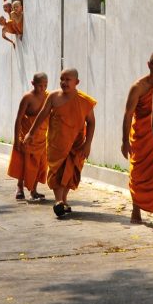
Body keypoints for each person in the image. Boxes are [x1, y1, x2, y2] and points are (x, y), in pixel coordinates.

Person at [22, 68, 96, 218]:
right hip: (57, 141)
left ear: (77, 82)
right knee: (57, 171)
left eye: (68, 80)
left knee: (70, 170)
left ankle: (63, 200)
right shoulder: (54, 97)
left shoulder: (84, 100)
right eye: (62, 79)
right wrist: (31, 132)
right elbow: (43, 113)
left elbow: (91, 122)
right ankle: (58, 201)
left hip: (76, 142)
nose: (64, 82)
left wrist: (88, 144)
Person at [121, 50, 153, 228]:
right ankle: (136, 207)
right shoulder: (138, 87)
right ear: (149, 66)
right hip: (142, 136)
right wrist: (124, 140)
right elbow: (128, 115)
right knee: (138, 172)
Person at [7, 72, 49, 201]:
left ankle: (34, 191)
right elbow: (18, 119)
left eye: (45, 85)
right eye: (40, 85)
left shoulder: (49, 97)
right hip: (27, 137)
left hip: (41, 137)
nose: (43, 88)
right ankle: (19, 187)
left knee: (40, 164)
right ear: (33, 84)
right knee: (24, 163)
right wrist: (16, 140)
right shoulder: (27, 98)